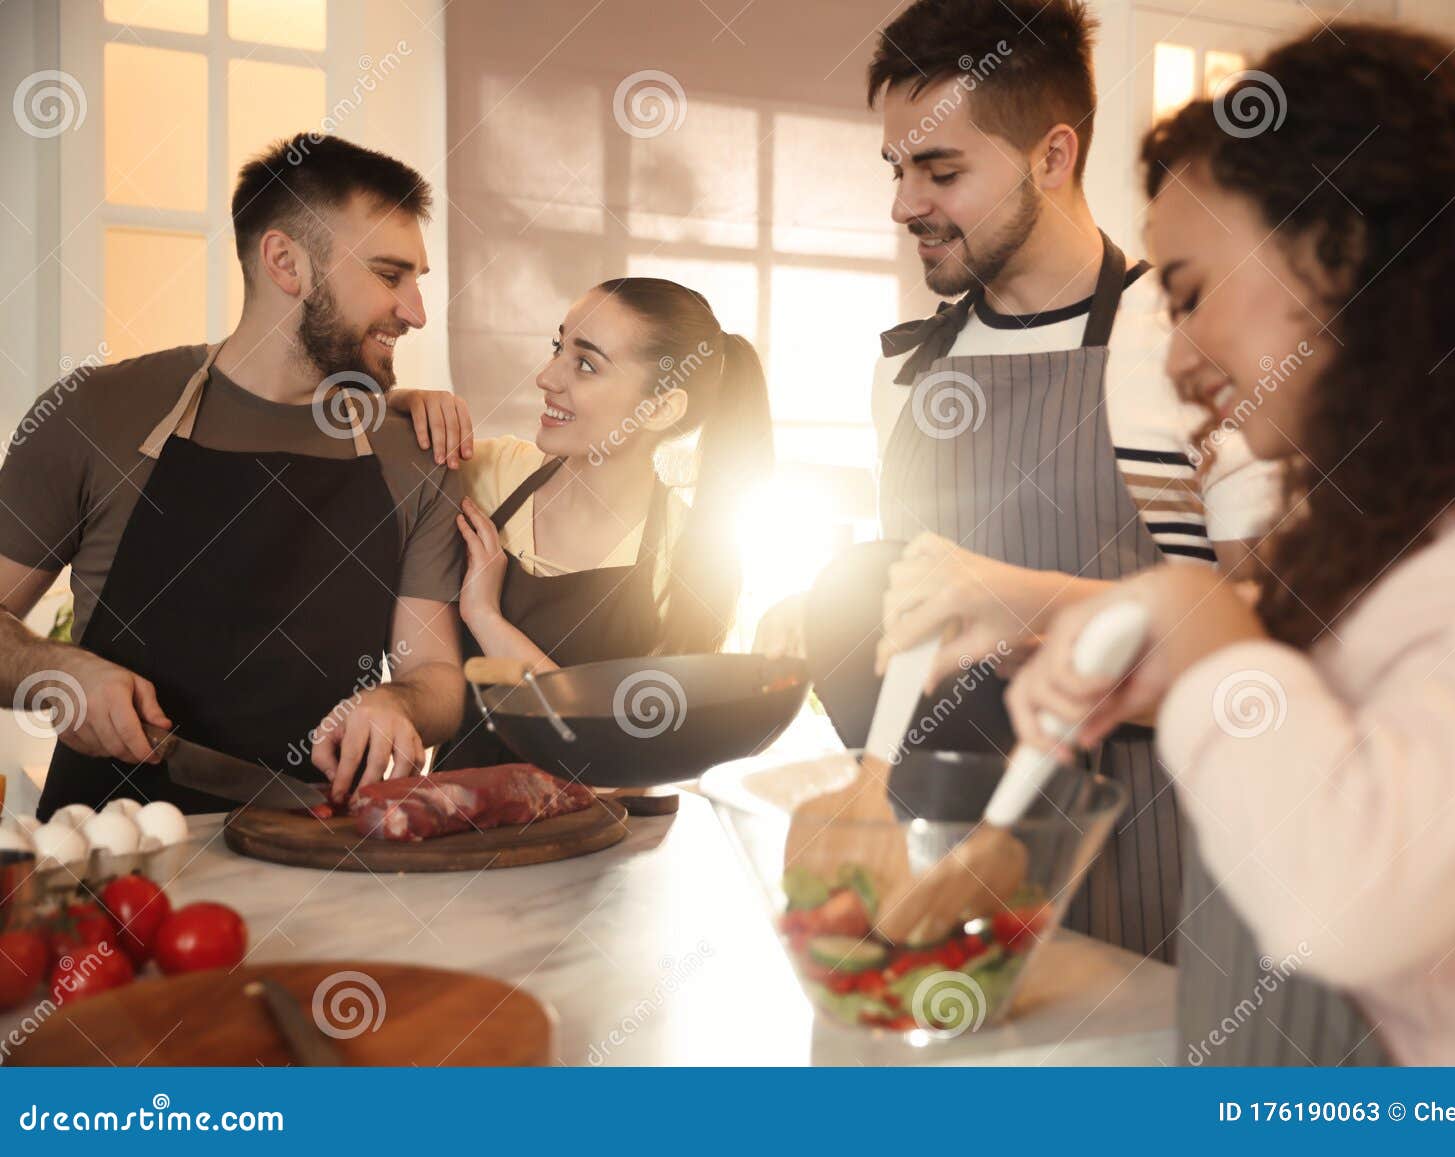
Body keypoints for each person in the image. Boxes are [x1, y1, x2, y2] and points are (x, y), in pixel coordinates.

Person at [1007, 24, 1455, 1065]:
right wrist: (1180, 670)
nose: (1180, 356)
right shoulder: (1408, 510)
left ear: (1339, 242)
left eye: (1190, 294)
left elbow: (1353, 893)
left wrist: (1197, 620)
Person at [763, 0, 1279, 966]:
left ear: (1052, 157)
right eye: (897, 169)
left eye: (941, 170)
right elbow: (927, 629)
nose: (904, 204)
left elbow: (1288, 646)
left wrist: (1031, 608)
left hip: (1166, 885)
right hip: (950, 877)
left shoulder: (1184, 349)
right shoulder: (909, 373)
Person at [0, 134, 466, 816]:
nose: (417, 311)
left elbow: (435, 674)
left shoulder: (414, 452)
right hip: (109, 858)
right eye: (390, 275)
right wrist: (55, 669)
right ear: (285, 262)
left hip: (317, 845)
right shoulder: (94, 414)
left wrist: (399, 701)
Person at [390, 278, 774, 770]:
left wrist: (486, 617)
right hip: (453, 817)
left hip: (602, 836)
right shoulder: (489, 474)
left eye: (586, 364)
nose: (547, 377)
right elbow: (363, 451)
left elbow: (626, 755)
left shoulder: (689, 558)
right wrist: (404, 403)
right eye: (558, 347)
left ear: (658, 408)